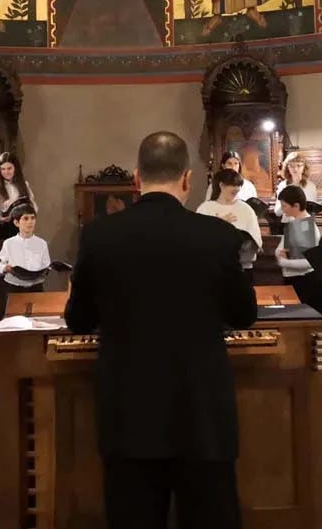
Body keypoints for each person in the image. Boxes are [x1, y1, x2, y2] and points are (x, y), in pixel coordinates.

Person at [64, 131, 257, 529]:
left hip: (128, 412)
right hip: (202, 411)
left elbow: (78, 320)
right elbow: (244, 315)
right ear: (187, 179)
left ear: (137, 178)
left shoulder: (100, 235)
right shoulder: (218, 236)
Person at [273, 185, 322, 309]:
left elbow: (310, 262)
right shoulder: (294, 223)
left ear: (296, 206)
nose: (283, 210)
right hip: (293, 279)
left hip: (303, 282)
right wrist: (279, 255)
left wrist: (283, 262)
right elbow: (280, 249)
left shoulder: (306, 226)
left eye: (284, 206)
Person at [197, 169, 262, 253]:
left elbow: (257, 241)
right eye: (233, 185)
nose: (237, 188)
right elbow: (198, 238)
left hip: (241, 262)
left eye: (239, 185)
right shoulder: (205, 208)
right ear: (222, 185)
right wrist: (219, 224)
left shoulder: (246, 209)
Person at [0, 204, 50, 292]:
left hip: (36, 287)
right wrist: (5, 268)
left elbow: (46, 264)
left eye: (32, 218)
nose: (30, 222)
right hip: (15, 287)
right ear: (16, 223)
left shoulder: (41, 243)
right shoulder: (9, 243)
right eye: (26, 218)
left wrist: (46, 269)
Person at [0, 151, 35, 224]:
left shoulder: (24, 184)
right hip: (1, 226)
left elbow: (33, 205)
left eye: (9, 168)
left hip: (20, 225)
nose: (6, 172)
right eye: (3, 169)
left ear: (15, 168)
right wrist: (0, 219)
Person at [272, 150, 316, 215]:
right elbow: (277, 212)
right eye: (292, 166)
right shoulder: (283, 185)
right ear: (287, 168)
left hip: (304, 222)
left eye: (299, 165)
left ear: (304, 167)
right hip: (288, 222)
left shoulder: (310, 186)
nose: (295, 169)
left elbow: (312, 211)